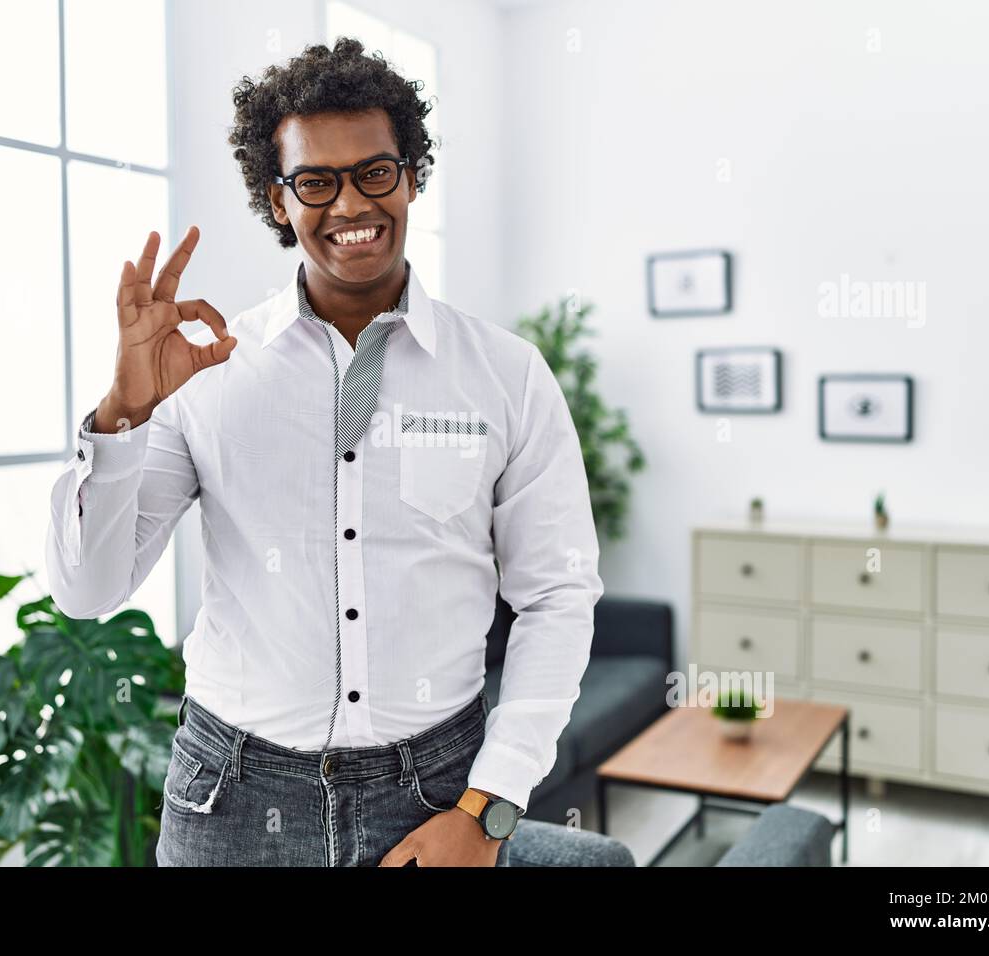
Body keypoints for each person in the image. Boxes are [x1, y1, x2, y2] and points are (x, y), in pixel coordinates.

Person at [44, 36, 602, 867]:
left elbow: (556, 596)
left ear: (412, 176)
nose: (350, 205)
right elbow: (87, 591)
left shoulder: (506, 375)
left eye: (375, 171)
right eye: (315, 181)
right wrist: (124, 410)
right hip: (230, 797)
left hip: (434, 793)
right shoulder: (207, 372)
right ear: (277, 200)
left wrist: (489, 809)